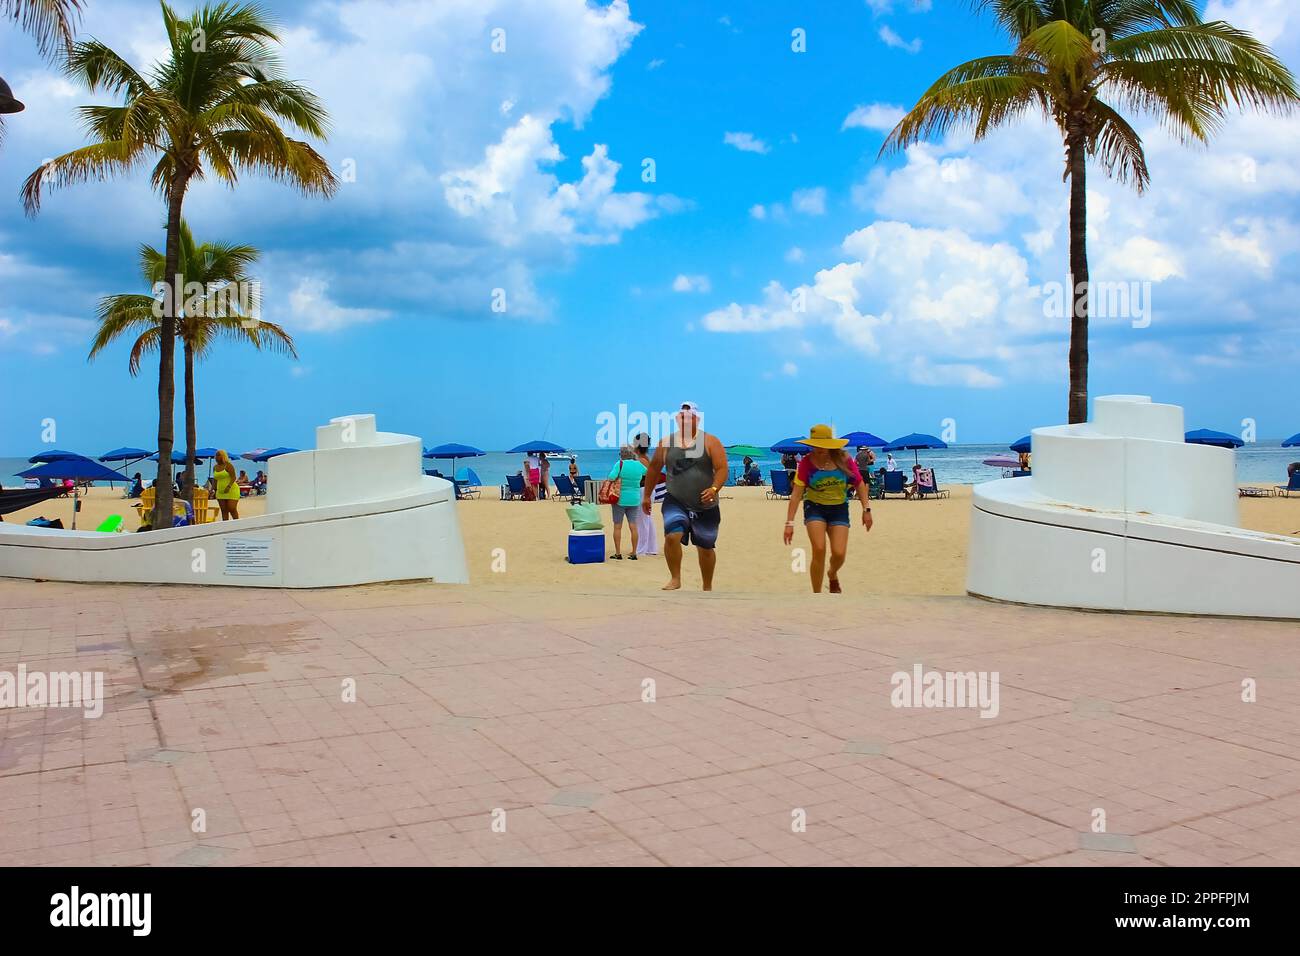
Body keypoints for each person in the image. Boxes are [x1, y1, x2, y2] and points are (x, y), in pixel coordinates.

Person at [641, 401, 728, 591]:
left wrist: (714, 489)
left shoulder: (711, 441)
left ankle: (707, 586)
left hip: (705, 504)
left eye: (689, 417)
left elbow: (722, 469)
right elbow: (655, 468)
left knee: (705, 547)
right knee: (672, 536)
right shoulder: (666, 443)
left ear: (697, 419)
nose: (685, 420)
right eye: (682, 416)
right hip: (676, 499)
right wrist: (647, 495)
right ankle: (675, 578)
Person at [782, 424, 872, 593]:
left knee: (839, 553)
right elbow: (796, 495)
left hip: (839, 508)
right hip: (814, 507)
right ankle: (816, 594)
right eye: (815, 445)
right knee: (819, 548)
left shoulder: (844, 460)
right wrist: (789, 523)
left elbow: (859, 483)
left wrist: (866, 509)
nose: (818, 449)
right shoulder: (806, 463)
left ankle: (832, 573)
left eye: (822, 445)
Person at [606, 445, 648, 559]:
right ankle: (634, 553)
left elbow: (611, 477)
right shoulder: (638, 465)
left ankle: (618, 553)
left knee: (617, 526)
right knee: (633, 526)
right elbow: (647, 473)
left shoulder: (619, 464)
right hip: (634, 499)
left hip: (619, 499)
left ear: (622, 454)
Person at [633, 432, 663, 556]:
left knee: (642, 520)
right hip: (648, 490)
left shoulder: (641, 460)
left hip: (643, 490)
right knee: (647, 519)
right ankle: (651, 548)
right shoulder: (646, 458)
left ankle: (642, 549)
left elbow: (647, 475)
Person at [214, 450, 240, 520]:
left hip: (231, 489)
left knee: (231, 508)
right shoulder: (215, 467)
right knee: (224, 510)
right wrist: (214, 490)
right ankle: (226, 526)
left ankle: (237, 523)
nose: (216, 457)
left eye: (219, 455)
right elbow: (215, 479)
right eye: (216, 455)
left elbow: (233, 477)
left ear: (223, 456)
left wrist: (229, 486)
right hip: (220, 492)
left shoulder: (228, 465)